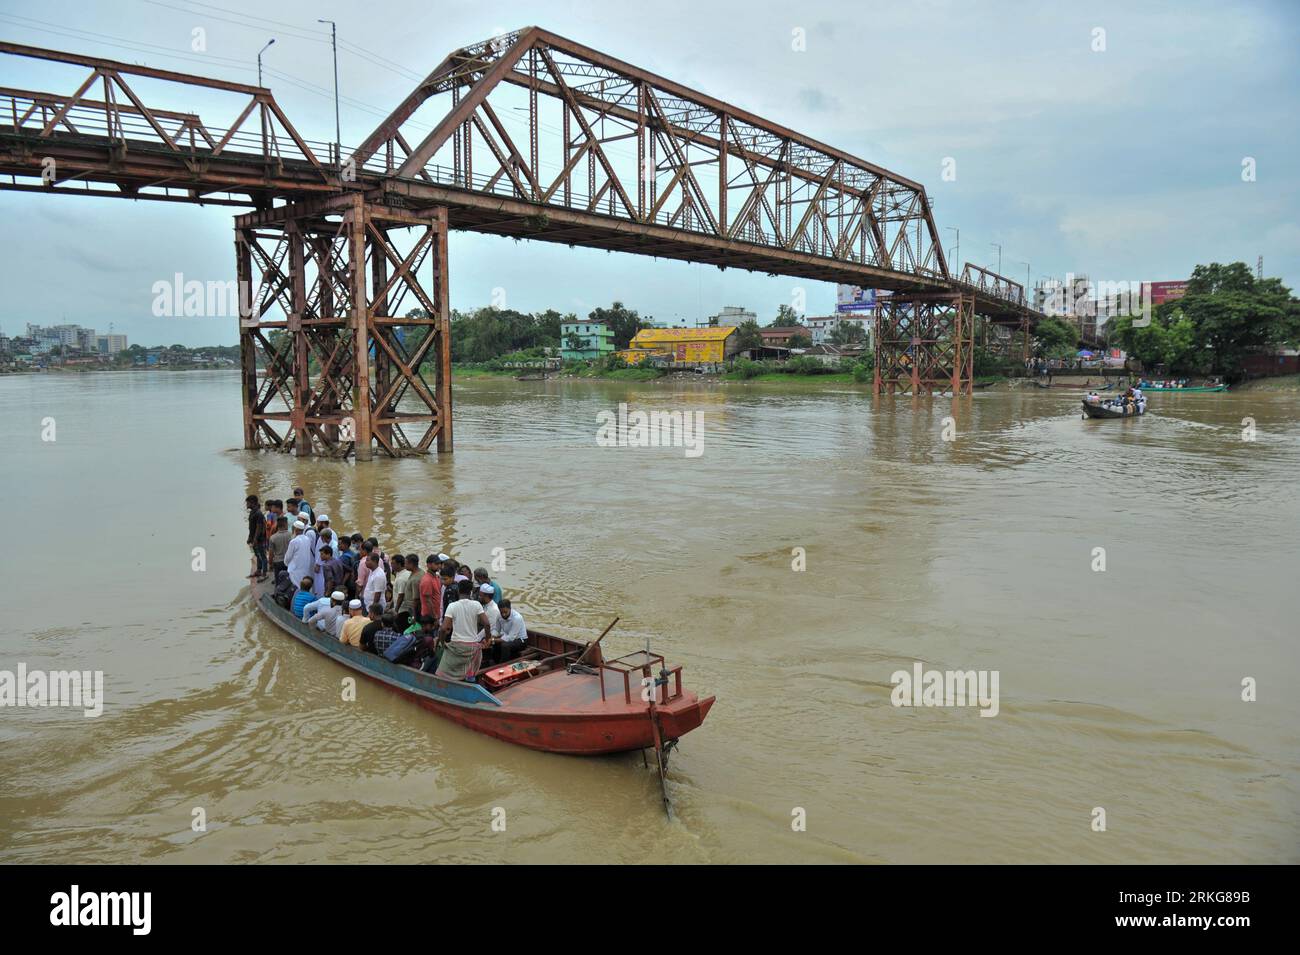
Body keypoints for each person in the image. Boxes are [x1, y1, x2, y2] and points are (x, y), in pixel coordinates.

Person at [436, 579, 491, 681]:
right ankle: (470, 683)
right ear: (470, 592)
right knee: (470, 673)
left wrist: (442, 643)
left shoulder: (452, 606)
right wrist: (488, 639)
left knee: (442, 673)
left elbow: (443, 629)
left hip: (456, 646)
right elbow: (487, 624)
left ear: (458, 591)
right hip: (472, 648)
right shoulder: (477, 605)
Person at [485, 598, 528, 665]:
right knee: (494, 644)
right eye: (502, 612)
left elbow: (510, 638)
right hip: (508, 637)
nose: (503, 615)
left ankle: (503, 665)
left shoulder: (517, 618)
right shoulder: (499, 616)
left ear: (510, 609)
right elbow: (496, 630)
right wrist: (491, 638)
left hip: (520, 640)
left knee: (505, 646)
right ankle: (495, 661)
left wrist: (493, 640)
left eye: (505, 612)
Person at [284, 520, 313, 593]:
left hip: (295, 569)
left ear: (295, 530)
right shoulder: (307, 539)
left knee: (296, 587)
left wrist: (287, 564)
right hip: (305, 568)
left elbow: (288, 557)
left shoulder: (294, 541)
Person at [246, 495, 268, 581]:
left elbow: (259, 528)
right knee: (257, 555)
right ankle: (258, 570)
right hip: (253, 538)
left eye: (247, 502)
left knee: (262, 556)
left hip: (259, 539)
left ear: (252, 502)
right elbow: (251, 527)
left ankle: (264, 573)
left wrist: (255, 539)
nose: (246, 504)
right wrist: (249, 538)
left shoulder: (258, 513)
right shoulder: (252, 513)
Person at [419, 554, 442, 622]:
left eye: (439, 563)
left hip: (436, 613)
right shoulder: (427, 580)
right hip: (429, 616)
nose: (439, 566)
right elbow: (428, 600)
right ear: (428, 565)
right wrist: (434, 616)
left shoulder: (436, 577)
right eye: (436, 564)